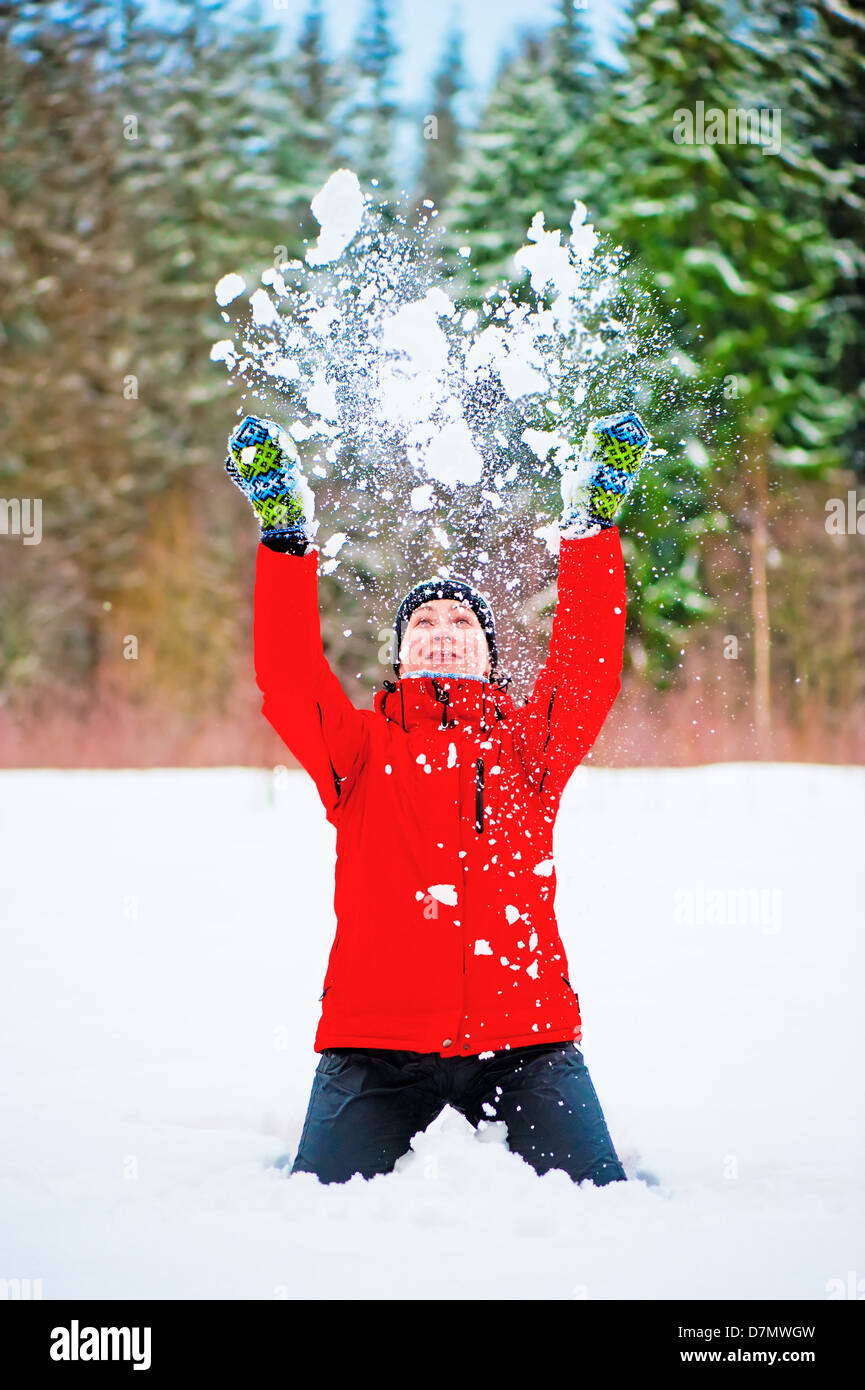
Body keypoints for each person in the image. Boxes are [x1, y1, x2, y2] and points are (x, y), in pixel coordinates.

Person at [225, 408, 651, 1186]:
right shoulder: (355, 750)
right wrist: (286, 547)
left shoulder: (529, 751)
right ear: (398, 652)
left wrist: (590, 534)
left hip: (525, 1044)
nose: (443, 630)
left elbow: (585, 668)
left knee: (602, 1202)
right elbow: (288, 681)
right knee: (311, 1209)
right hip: (373, 1045)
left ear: (489, 656)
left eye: (462, 621)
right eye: (423, 621)